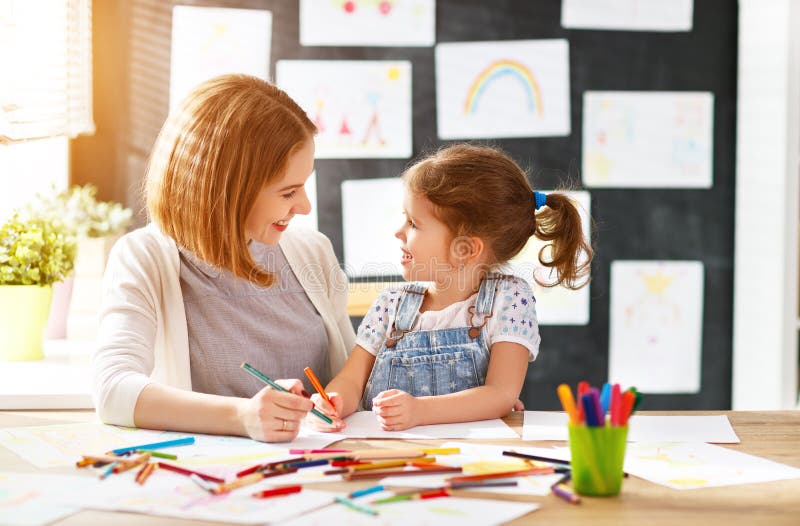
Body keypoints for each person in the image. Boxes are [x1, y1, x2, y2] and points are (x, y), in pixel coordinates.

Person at [92, 74, 355, 442]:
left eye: (304, 185)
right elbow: (112, 391)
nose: (305, 205)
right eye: (288, 192)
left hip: (317, 468)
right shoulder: (146, 257)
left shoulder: (312, 250)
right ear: (229, 190)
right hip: (213, 480)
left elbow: (351, 376)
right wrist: (243, 417)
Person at [310, 144, 593, 431]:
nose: (398, 231)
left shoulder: (508, 300)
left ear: (466, 249)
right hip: (392, 456)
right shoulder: (390, 305)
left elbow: (500, 394)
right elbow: (351, 380)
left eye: (414, 224)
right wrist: (334, 400)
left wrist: (419, 411)